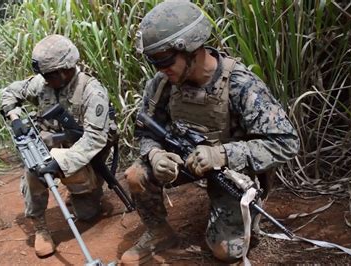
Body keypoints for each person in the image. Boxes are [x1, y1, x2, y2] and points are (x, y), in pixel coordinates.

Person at [121, 1, 300, 264]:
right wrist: (156, 154)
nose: (160, 69)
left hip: (230, 170)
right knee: (137, 174)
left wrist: (223, 154)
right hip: (183, 158)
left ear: (191, 47)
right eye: (153, 62)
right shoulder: (162, 84)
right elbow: (145, 130)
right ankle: (159, 233)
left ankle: (250, 210)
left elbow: (285, 142)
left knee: (227, 252)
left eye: (165, 60)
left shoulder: (240, 85)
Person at [0, 34, 115, 257]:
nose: (45, 79)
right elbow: (9, 92)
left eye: (49, 75)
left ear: (64, 70)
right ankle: (40, 226)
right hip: (47, 149)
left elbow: (94, 140)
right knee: (35, 165)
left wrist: (59, 162)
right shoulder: (43, 84)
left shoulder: (92, 92)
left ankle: (81, 192)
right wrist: (14, 118)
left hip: (79, 158)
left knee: (88, 214)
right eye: (43, 75)